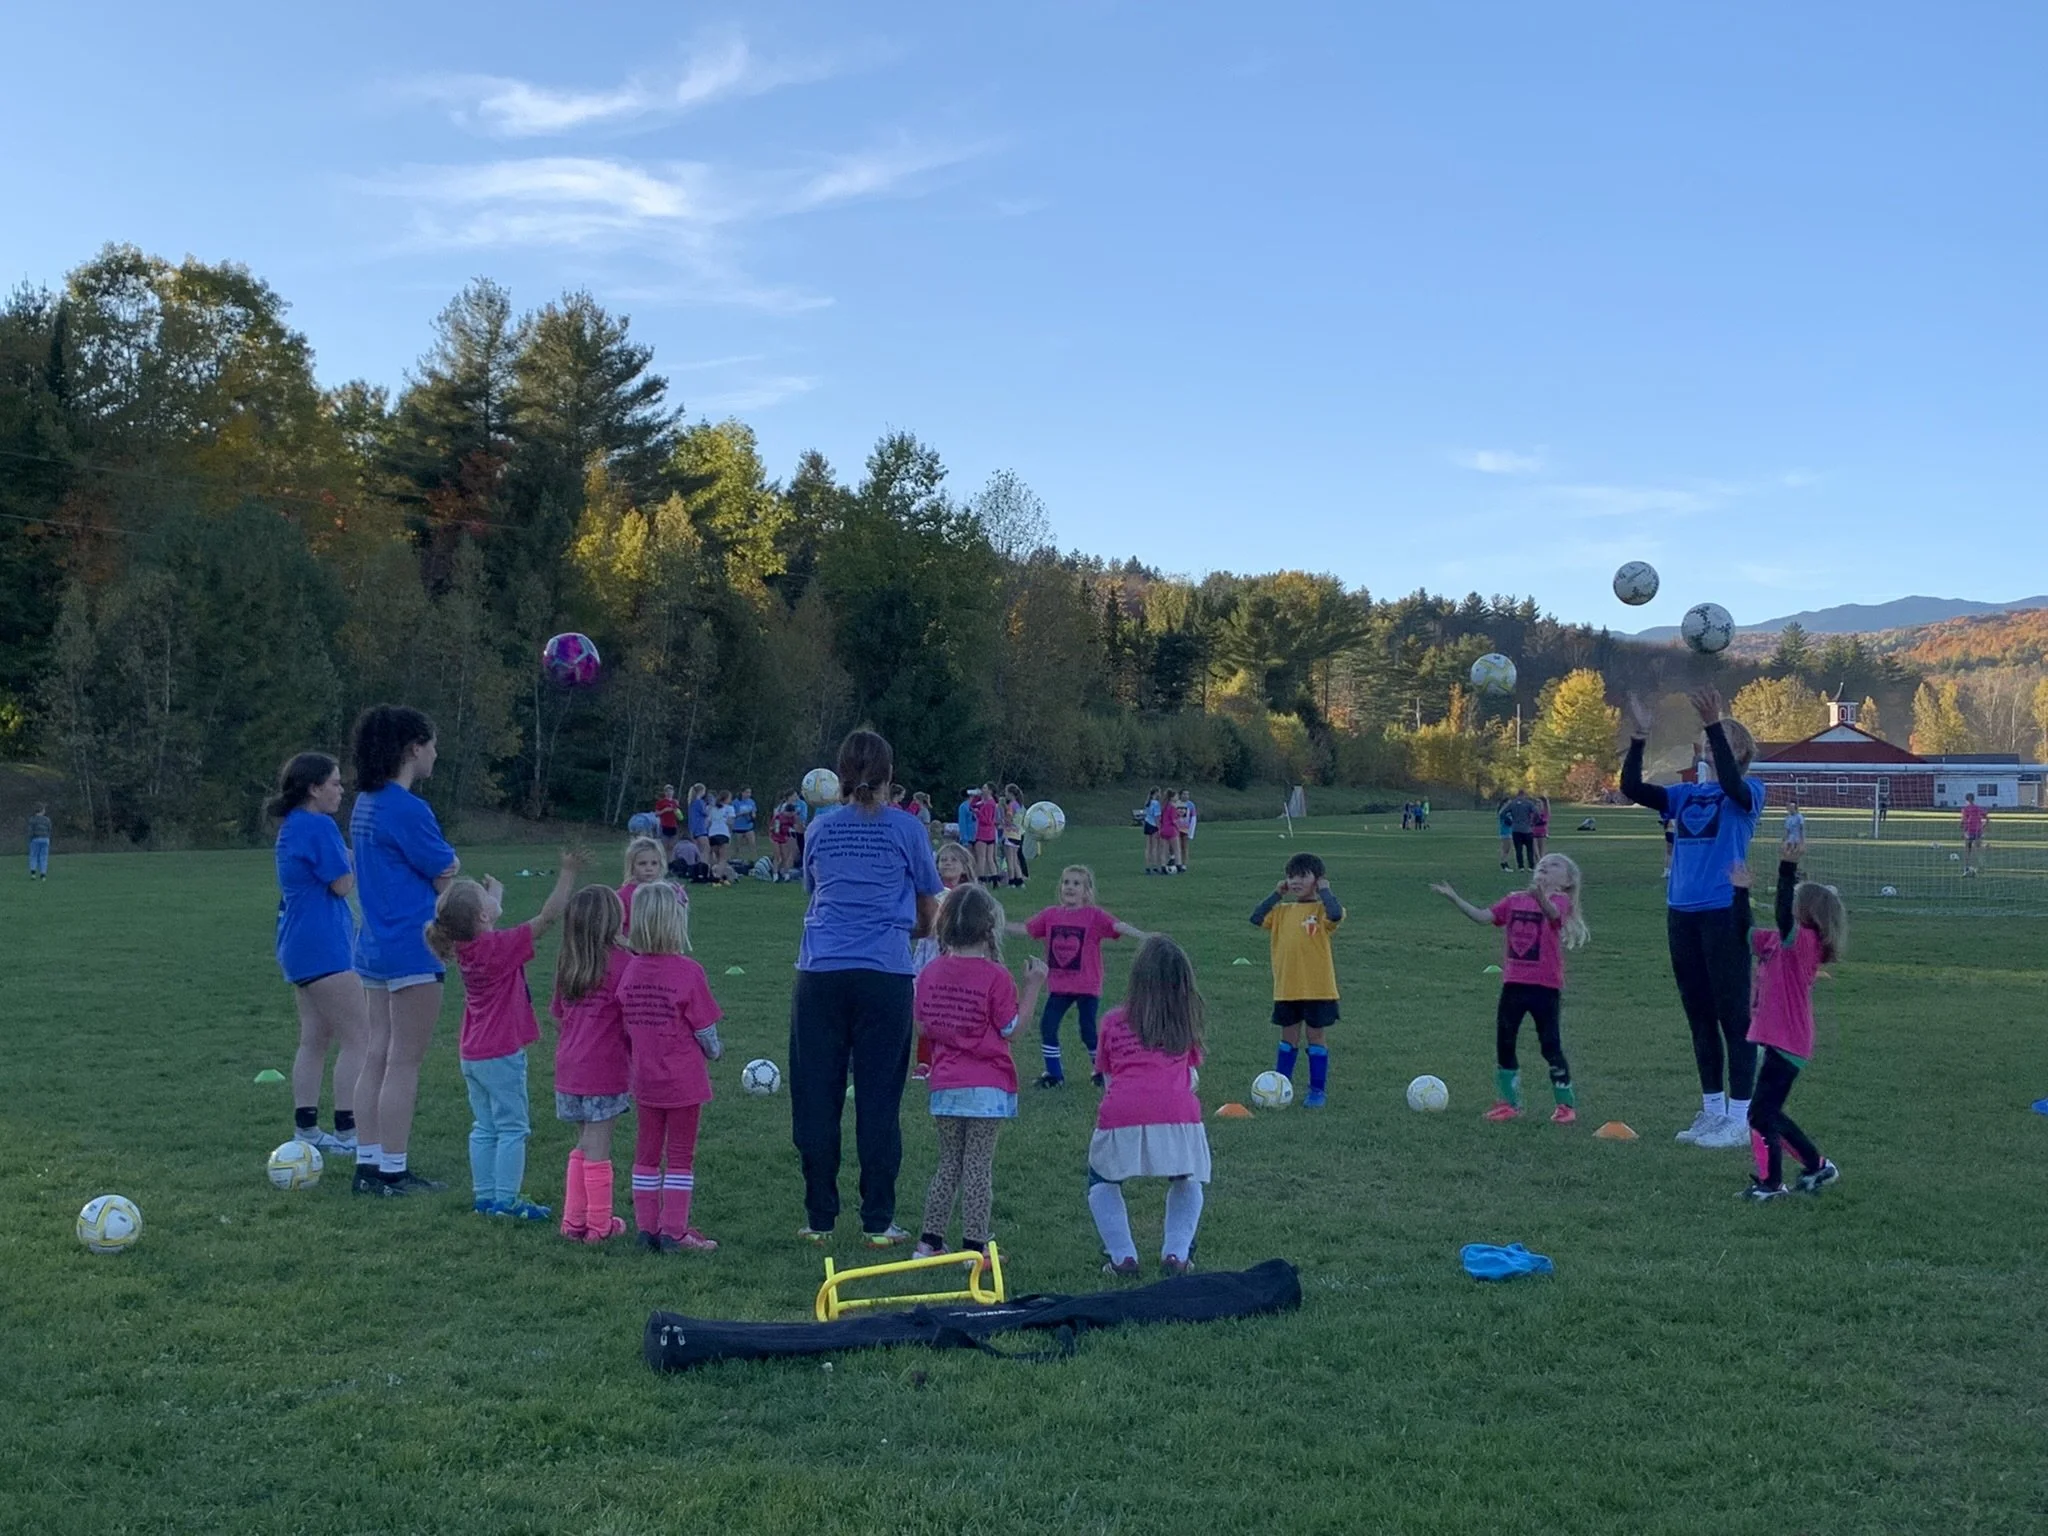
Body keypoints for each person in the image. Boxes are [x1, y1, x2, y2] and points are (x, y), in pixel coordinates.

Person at [788, 730, 944, 1246]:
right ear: (889, 775)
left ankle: (819, 1218)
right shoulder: (907, 828)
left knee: (817, 1096)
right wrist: (913, 932)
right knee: (879, 1100)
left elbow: (815, 892)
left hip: (822, 971)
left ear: (840, 775)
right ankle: (878, 1221)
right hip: (884, 972)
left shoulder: (821, 829)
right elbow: (928, 902)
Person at [1622, 687, 1766, 1151]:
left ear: (1738, 750)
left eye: (1722, 736)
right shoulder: (1685, 795)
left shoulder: (1748, 795)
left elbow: (1731, 782)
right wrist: (1640, 737)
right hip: (1681, 916)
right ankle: (1712, 1112)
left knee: (1734, 1018)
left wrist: (1713, 724)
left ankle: (1742, 1117)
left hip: (1723, 914)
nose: (1709, 740)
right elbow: (1633, 789)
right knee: (1699, 1018)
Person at [425, 855, 583, 1220]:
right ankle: (508, 1202)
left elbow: (486, 912)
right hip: (501, 1053)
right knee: (513, 1127)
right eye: (486, 900)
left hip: (473, 1054)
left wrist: (491, 891)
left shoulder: (466, 946)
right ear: (483, 917)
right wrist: (567, 874)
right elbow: (547, 918)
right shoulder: (498, 949)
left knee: (485, 1126)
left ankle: (485, 1198)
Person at [348, 705, 461, 1196]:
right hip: (414, 948)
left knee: (376, 1053)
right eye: (431, 744)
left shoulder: (365, 803)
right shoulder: (407, 808)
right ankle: (393, 1170)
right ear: (413, 748)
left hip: (373, 946)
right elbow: (444, 872)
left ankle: (367, 1164)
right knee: (404, 1061)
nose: (436, 753)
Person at [911, 884, 1046, 1261]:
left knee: (949, 1163)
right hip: (986, 1088)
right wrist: (1034, 985)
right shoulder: (996, 977)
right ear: (989, 928)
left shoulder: (931, 972)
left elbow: (922, 1027)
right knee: (977, 1168)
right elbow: (1013, 1031)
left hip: (945, 1086)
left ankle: (929, 1242)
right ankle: (975, 1246)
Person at [1430, 853, 1589, 1125]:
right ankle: (1509, 1103)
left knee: (1550, 1044)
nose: (1544, 867)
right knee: (1505, 1041)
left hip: (1545, 987)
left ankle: (1565, 1105)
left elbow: (1553, 915)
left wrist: (1539, 897)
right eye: (1542, 864)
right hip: (1514, 984)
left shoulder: (1559, 901)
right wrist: (1455, 898)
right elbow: (1483, 917)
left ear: (1567, 881)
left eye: (1553, 865)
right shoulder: (1514, 899)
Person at [1088, 936, 1211, 1277]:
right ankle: (1177, 1254)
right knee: (1187, 1177)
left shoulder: (1113, 1021)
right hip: (1178, 1112)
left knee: (1101, 1180)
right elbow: (1190, 1076)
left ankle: (1122, 1257)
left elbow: (1108, 1077)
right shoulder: (1184, 1024)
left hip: (1121, 1112)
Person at [1732, 841, 1846, 1200]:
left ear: (1806, 910)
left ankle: (1772, 1183)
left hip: (1789, 1040)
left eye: (1795, 898)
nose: (1789, 902)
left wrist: (1786, 869)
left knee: (1761, 1114)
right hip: (1778, 1038)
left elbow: (1782, 914)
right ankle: (1815, 1166)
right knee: (1765, 1113)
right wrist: (1739, 891)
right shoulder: (1777, 941)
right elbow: (1743, 931)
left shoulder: (1805, 942)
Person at [268, 752, 366, 1158]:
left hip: (297, 945)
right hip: (324, 947)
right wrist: (356, 861)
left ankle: (306, 1129)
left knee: (314, 1040)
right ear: (314, 788)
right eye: (335, 783)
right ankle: (348, 1132)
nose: (341, 791)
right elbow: (343, 885)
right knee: (361, 1038)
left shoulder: (291, 826)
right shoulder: (320, 826)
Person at [619, 883, 725, 1253]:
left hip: (645, 1080)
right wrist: (715, 1052)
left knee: (645, 1154)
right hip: (682, 1082)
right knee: (680, 1155)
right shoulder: (687, 972)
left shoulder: (630, 972)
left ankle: (646, 1228)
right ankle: (675, 1230)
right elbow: (705, 1029)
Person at [1010, 865, 1150, 1089]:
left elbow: (1117, 925)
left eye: (1076, 884)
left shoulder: (1093, 915)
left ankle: (1100, 1070)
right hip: (1059, 986)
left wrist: (1143, 936)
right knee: (1048, 1025)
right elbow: (1027, 929)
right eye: (1066, 882)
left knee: (1087, 1029)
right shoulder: (1050, 915)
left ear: (1087, 891)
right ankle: (1054, 1074)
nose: (1070, 887)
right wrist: (996, 926)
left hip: (1087, 985)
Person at [549, 884, 633, 1243]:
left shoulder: (567, 963)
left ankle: (573, 1220)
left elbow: (557, 1013)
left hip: (569, 1069)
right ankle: (599, 1225)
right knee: (599, 1146)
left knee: (583, 1143)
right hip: (605, 1069)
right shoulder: (623, 963)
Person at [1249, 852, 1346, 1108]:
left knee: (1315, 1037)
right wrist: (1276, 894)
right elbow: (1256, 918)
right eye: (1291, 876)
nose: (1295, 881)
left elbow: (1336, 915)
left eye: (1303, 876)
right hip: (1287, 988)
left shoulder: (1323, 910)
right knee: (1288, 1038)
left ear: (1318, 880)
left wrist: (1325, 891)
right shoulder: (1281, 912)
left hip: (1318, 988)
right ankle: (1282, 1085)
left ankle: (1317, 1091)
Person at [910, 841, 978, 1082]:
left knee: (952, 1009)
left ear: (964, 867)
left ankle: (952, 1057)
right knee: (925, 1008)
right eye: (943, 860)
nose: (947, 863)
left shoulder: (969, 895)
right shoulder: (930, 890)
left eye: (953, 860)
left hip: (954, 955)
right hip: (928, 953)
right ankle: (924, 1061)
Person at [619, 835, 686, 933]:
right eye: (642, 863)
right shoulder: (623, 895)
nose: (649, 868)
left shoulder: (666, 892)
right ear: (631, 865)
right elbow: (617, 929)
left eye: (654, 863)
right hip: (633, 945)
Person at [970, 783, 1002, 881]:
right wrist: (976, 797)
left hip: (983, 833)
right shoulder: (986, 802)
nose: (982, 789)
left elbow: (987, 820)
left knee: (982, 858)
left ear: (990, 791)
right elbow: (972, 805)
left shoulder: (989, 804)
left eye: (984, 788)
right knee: (989, 858)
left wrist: (977, 813)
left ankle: (981, 878)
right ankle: (994, 878)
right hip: (990, 833)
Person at [1001, 783, 1029, 888]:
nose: (1005, 795)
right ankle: (1020, 881)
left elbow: (1008, 819)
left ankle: (1011, 881)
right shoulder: (1019, 805)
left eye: (1006, 793)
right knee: (1015, 860)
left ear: (1010, 794)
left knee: (1010, 860)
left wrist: (1003, 818)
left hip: (1010, 833)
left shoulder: (1011, 806)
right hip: (1017, 834)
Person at [1503, 792, 1540, 870]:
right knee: (1529, 849)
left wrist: (1509, 821)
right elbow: (1537, 813)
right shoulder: (1529, 803)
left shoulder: (1512, 803)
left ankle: (1521, 866)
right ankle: (1531, 866)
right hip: (1527, 829)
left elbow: (1503, 813)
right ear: (1524, 795)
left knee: (1518, 849)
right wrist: (1534, 822)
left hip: (1516, 829)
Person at [705, 792, 735, 880]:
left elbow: (708, 822)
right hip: (723, 833)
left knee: (716, 856)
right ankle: (718, 877)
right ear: (726, 799)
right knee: (723, 858)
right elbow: (730, 822)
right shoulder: (729, 808)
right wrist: (730, 833)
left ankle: (715, 873)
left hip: (712, 834)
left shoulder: (711, 808)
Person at [770, 794, 802, 879]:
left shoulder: (793, 818)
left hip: (784, 837)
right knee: (777, 856)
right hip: (776, 837)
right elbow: (774, 829)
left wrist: (793, 829)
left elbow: (796, 826)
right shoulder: (778, 817)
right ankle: (775, 874)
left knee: (785, 856)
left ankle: (785, 873)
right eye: (790, 813)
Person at [1960, 792, 1988, 877]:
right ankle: (1979, 867)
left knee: (1968, 851)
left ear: (1966, 800)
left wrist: (1963, 830)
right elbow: (1987, 818)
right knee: (1978, 850)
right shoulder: (1978, 808)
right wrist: (1983, 826)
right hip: (1978, 831)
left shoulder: (1965, 809)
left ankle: (1966, 869)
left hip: (1969, 832)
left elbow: (1964, 821)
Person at [1158, 789, 1184, 875]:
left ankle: (1163, 867)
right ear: (1172, 797)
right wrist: (1178, 827)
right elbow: (1174, 820)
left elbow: (1161, 819)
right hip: (1172, 830)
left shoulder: (1163, 806)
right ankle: (1179, 865)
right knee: (1177, 849)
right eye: (1176, 796)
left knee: (1164, 850)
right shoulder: (1172, 807)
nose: (1177, 797)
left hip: (1163, 829)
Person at [686, 782, 711, 866]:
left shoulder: (691, 803)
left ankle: (696, 866)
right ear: (701, 791)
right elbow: (706, 813)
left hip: (694, 829)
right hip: (701, 829)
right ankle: (704, 865)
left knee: (698, 850)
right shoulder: (700, 802)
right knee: (705, 849)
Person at [1141, 786, 1165, 875]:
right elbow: (1157, 817)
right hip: (1153, 825)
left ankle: (1147, 866)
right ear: (1156, 793)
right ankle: (1155, 866)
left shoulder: (1148, 802)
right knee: (1155, 847)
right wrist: (1159, 828)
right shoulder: (1156, 803)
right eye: (1159, 792)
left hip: (1147, 824)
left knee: (1148, 847)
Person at [653, 785, 681, 858]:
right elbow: (656, 813)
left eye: (671, 791)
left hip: (673, 826)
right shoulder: (661, 802)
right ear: (665, 792)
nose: (669, 793)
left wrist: (677, 813)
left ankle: (669, 863)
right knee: (663, 846)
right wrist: (664, 810)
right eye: (667, 791)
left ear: (673, 792)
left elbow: (679, 816)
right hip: (664, 825)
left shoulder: (675, 802)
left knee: (672, 847)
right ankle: (662, 862)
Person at [26, 802, 51, 880]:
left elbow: (30, 831)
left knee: (33, 856)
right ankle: (43, 875)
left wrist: (30, 839)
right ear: (42, 810)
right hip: (45, 839)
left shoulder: (32, 819)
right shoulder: (47, 819)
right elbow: (49, 829)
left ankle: (33, 873)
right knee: (43, 857)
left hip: (35, 839)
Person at [732, 786, 758, 855]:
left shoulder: (751, 802)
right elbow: (732, 815)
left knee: (752, 843)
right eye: (747, 792)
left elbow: (754, 813)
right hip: (738, 826)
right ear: (742, 793)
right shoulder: (735, 802)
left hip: (749, 826)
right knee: (738, 846)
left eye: (750, 792)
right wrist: (741, 813)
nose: (748, 794)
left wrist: (752, 815)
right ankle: (737, 858)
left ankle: (754, 857)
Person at [1497, 799, 1515, 870]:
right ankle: (1504, 864)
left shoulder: (1510, 812)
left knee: (1507, 849)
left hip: (1510, 831)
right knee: (1506, 848)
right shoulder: (1503, 812)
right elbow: (1501, 814)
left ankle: (1504, 862)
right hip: (1505, 832)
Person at [1533, 794, 1551, 858]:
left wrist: (1547, 833)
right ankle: (1538, 865)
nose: (1538, 804)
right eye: (1537, 802)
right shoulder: (1532, 812)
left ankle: (1542, 866)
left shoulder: (1545, 812)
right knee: (1536, 853)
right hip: (1533, 834)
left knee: (1542, 853)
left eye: (1539, 802)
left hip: (1542, 834)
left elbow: (1547, 823)